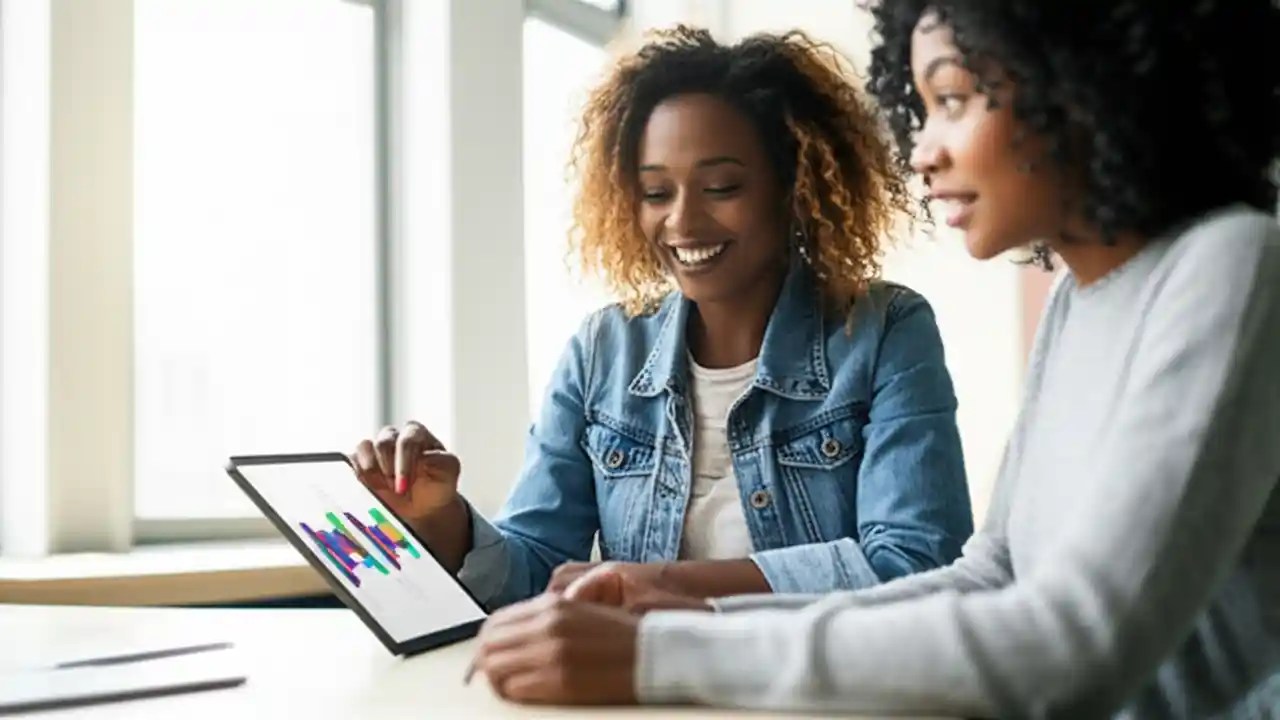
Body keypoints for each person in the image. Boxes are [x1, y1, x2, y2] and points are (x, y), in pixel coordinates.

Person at [467, 1, 1280, 717]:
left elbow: (1074, 640)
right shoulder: (1082, 297)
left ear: (1082, 84)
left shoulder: (1232, 263)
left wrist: (658, 655)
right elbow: (987, 575)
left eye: (954, 101)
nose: (923, 152)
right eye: (922, 108)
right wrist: (680, 615)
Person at [350, 27, 973, 612]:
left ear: (794, 189)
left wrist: (657, 585)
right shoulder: (602, 351)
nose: (682, 221)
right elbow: (537, 568)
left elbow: (916, 568)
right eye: (656, 193)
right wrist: (441, 516)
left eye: (722, 187)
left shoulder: (885, 330)